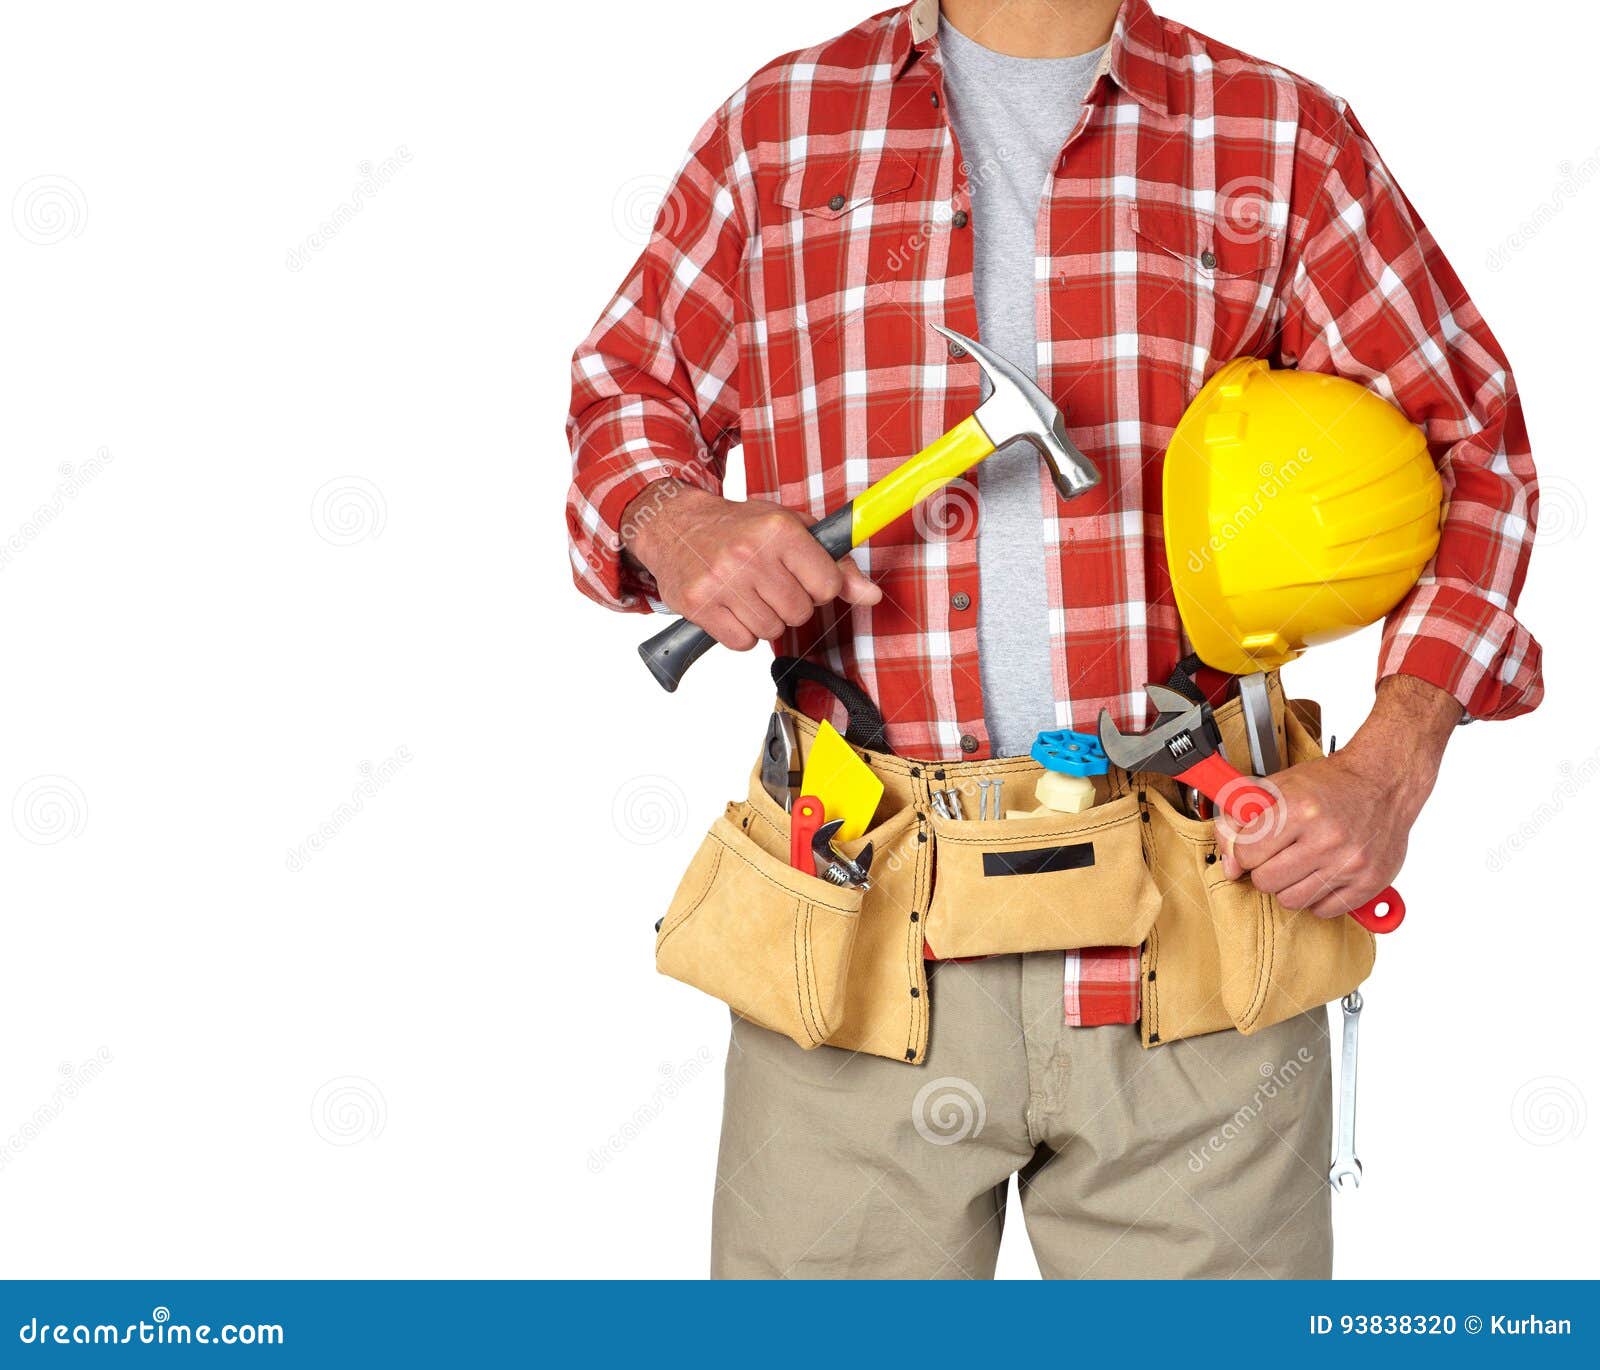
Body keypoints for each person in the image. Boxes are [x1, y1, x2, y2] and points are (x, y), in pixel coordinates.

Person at [565, 0, 1541, 1277]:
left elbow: (1472, 449)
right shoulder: (781, 127)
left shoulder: (1278, 134)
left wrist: (1388, 763)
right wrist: (673, 515)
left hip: (1198, 926)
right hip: (856, 922)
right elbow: (623, 395)